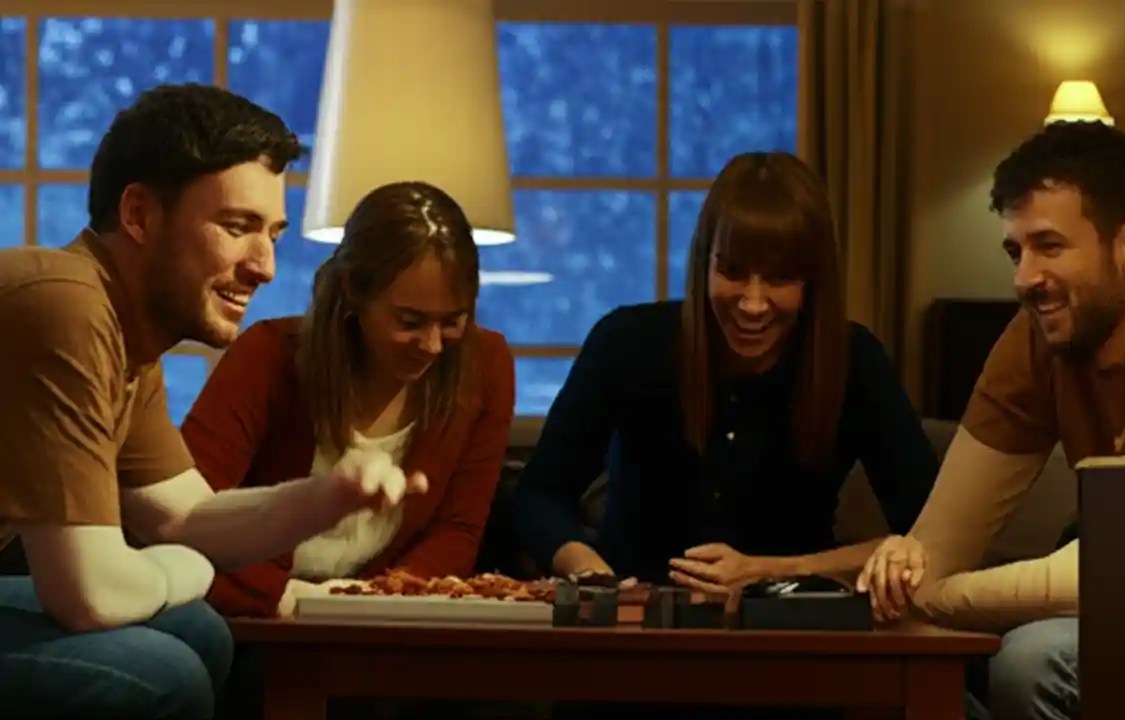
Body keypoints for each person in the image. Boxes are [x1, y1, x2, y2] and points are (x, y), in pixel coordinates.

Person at [0, 84, 427, 720]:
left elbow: (185, 517)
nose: (265, 267)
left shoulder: (126, 336)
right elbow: (89, 594)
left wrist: (328, 495)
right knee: (159, 672)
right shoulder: (63, 305)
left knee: (201, 632)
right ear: (140, 215)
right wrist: (183, 571)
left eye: (274, 235)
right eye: (237, 228)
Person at [857, 121, 1125, 720]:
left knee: (1034, 658)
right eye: (1015, 250)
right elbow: (938, 545)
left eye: (1049, 246)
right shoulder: (1039, 334)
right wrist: (907, 579)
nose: (1024, 278)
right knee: (898, 654)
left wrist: (936, 597)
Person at [515, 151, 938, 717]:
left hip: (791, 655)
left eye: (781, 278)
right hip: (634, 652)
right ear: (703, 263)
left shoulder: (853, 358)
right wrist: (595, 578)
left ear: (814, 282)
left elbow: (929, 532)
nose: (753, 302)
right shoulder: (627, 342)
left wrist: (768, 572)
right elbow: (540, 495)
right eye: (732, 271)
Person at [182, 180, 515, 619]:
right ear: (354, 292)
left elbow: (457, 531)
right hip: (258, 617)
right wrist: (292, 599)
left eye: (453, 321)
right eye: (410, 321)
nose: (433, 345)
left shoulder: (484, 365)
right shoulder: (268, 357)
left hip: (391, 623)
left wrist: (380, 602)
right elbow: (188, 521)